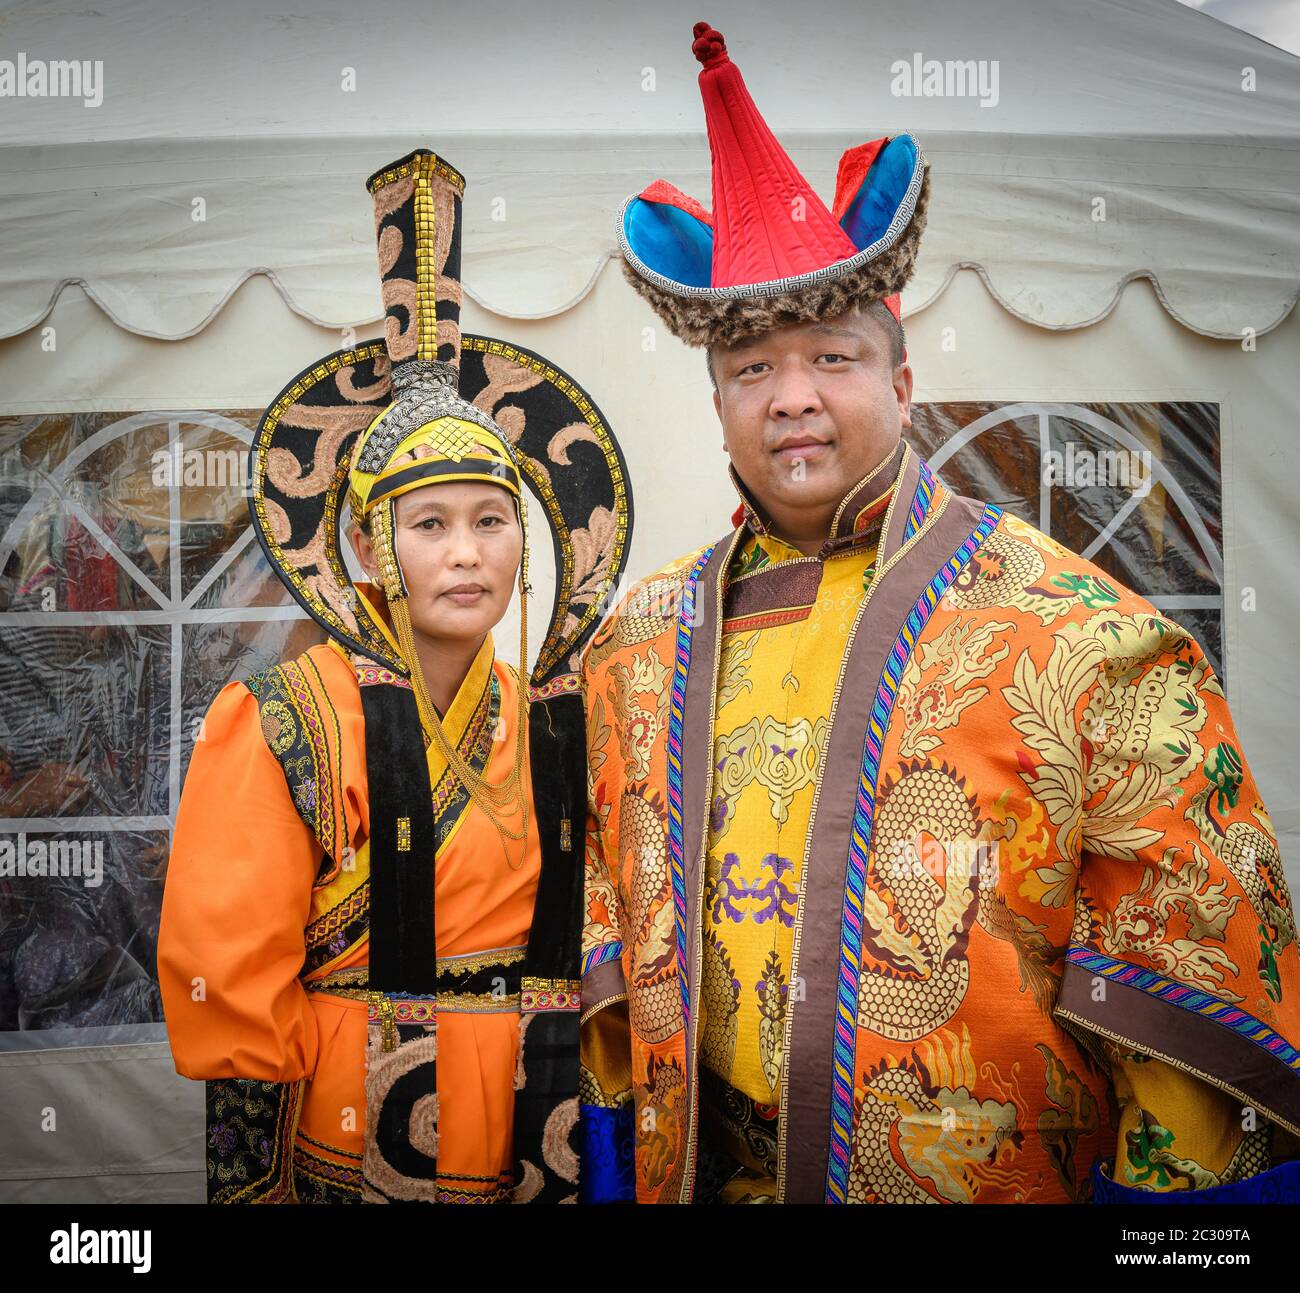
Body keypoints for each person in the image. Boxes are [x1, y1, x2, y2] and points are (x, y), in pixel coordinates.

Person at [579, 22, 1300, 1204]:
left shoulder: (1080, 637)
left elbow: (1184, 988)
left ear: (903, 382)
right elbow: (614, 945)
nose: (793, 397)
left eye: (834, 356)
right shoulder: (637, 643)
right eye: (751, 369)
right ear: (717, 404)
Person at [159, 149, 631, 1203]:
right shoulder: (284, 719)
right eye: (429, 525)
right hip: (353, 1113)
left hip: (538, 1108)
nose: (466, 554)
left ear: (529, 538)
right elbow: (230, 984)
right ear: (370, 551)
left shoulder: (566, 714)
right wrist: (245, 1184)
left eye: (490, 521)